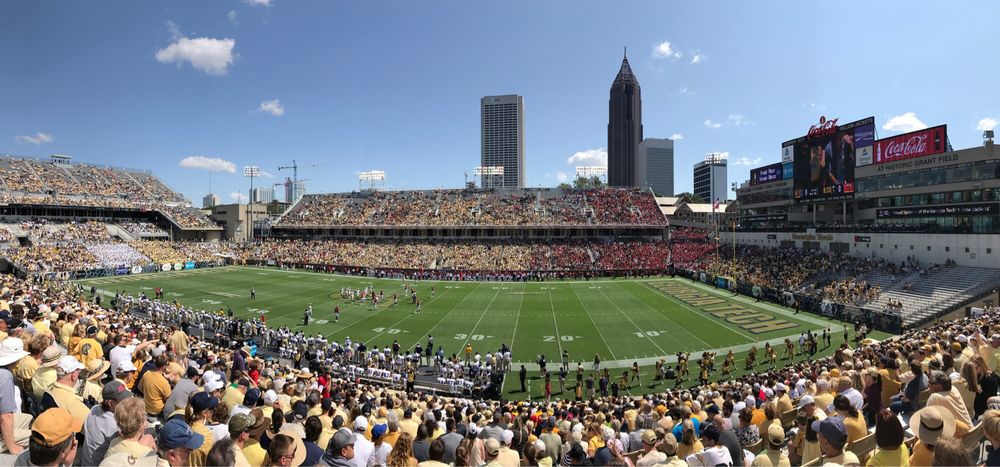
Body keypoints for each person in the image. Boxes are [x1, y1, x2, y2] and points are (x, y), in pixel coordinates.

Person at [80, 381, 133, 466]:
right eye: (123, 401)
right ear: (111, 403)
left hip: (86, 461)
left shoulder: (95, 408)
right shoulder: (115, 425)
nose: (127, 403)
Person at [12, 408, 82, 467]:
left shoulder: (21, 459)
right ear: (62, 452)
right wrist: (68, 464)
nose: (74, 440)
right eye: (72, 435)